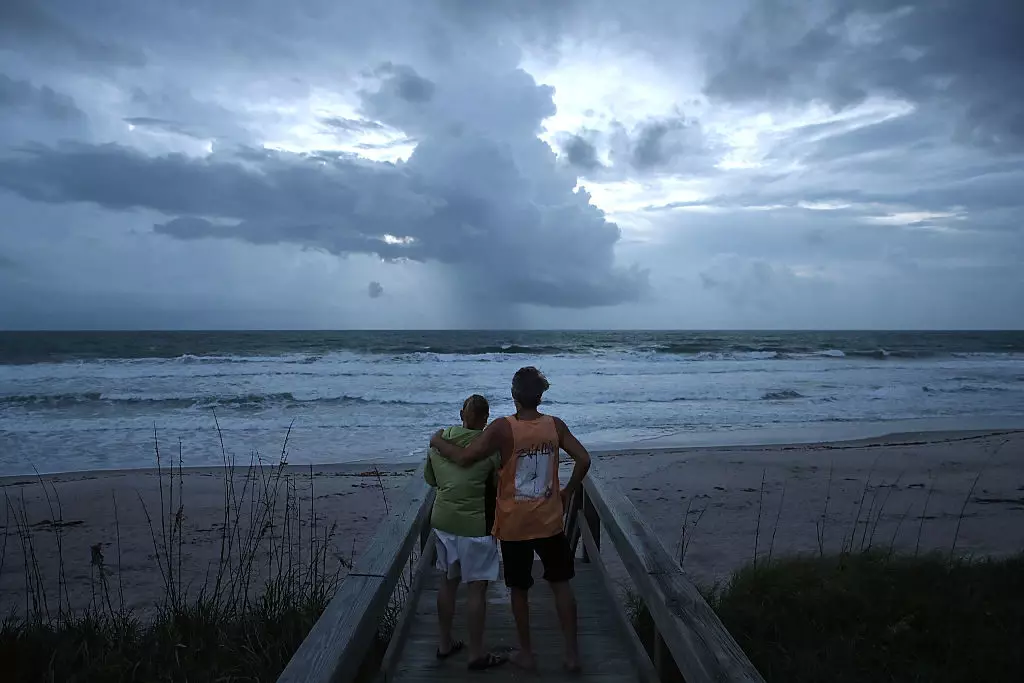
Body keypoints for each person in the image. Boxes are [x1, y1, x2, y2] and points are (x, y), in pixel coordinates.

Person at [430, 367, 592, 672]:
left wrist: (437, 442)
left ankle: (527, 652)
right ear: (540, 396)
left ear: (514, 394)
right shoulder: (554, 426)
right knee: (561, 585)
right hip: (549, 521)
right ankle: (572, 655)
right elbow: (584, 459)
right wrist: (568, 490)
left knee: (519, 589)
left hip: (515, 523)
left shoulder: (503, 428)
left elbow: (465, 458)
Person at [423, 394, 508, 670]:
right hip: (476, 526)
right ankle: (476, 654)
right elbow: (497, 484)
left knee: (448, 582)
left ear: (461, 414)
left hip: (444, 522)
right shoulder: (489, 451)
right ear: (485, 420)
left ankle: (444, 643)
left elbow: (431, 479)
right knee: (476, 589)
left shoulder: (438, 444)